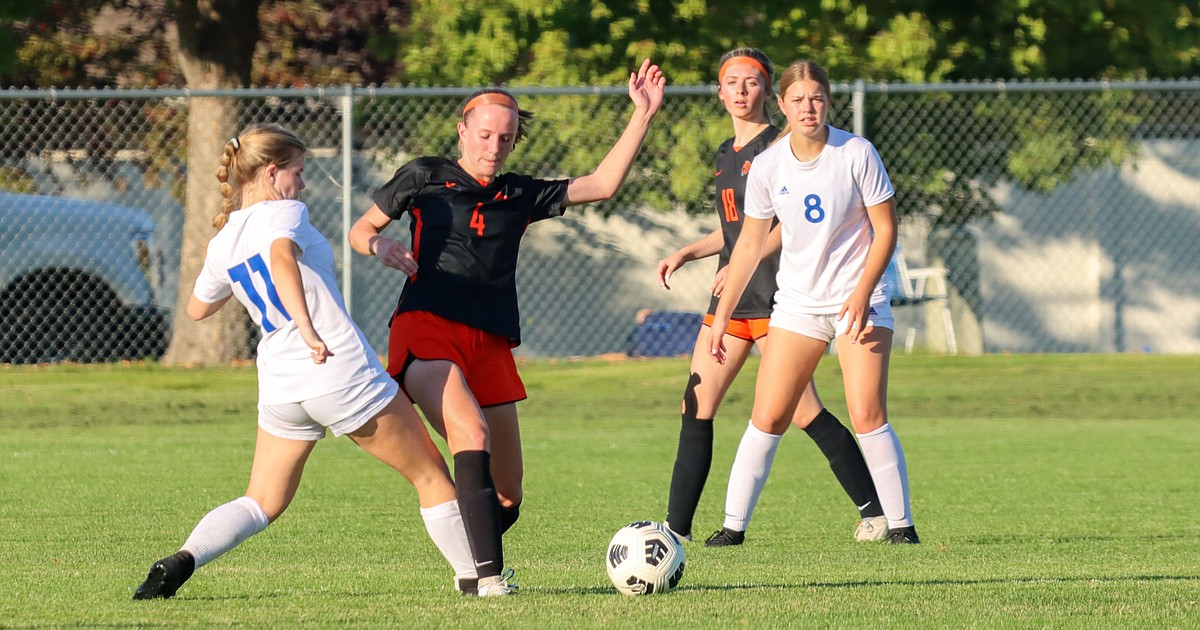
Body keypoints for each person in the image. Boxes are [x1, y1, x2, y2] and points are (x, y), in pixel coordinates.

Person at [349, 60, 667, 594]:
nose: (493, 146)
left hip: (489, 341)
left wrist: (642, 115)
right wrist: (381, 244)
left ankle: (468, 559)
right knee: (469, 435)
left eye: (505, 137)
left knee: (507, 495)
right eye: (485, 134)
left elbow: (603, 184)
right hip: (426, 328)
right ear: (463, 131)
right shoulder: (424, 175)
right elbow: (362, 229)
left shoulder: (517, 193)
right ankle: (488, 581)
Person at [132, 124, 479, 600]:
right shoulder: (286, 211)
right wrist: (309, 327)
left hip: (282, 384)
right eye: (298, 171)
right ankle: (480, 583)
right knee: (430, 475)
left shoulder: (224, 238)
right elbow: (280, 258)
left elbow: (197, 308)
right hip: (335, 367)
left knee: (261, 502)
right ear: (272, 174)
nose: (302, 183)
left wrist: (238, 279)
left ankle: (182, 559)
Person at [657, 48, 887, 547]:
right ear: (718, 92)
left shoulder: (783, 143)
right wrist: (690, 252)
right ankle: (675, 530)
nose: (741, 90)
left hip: (776, 298)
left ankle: (878, 510)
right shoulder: (726, 153)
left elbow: (779, 228)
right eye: (731, 82)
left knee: (803, 413)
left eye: (752, 81)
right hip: (732, 298)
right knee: (696, 402)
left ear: (770, 94)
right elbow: (736, 231)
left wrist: (751, 255)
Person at [706, 59, 921, 545]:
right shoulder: (768, 165)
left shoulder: (856, 152)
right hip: (798, 306)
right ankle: (732, 530)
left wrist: (864, 293)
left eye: (817, 98)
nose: (809, 108)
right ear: (781, 105)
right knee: (769, 415)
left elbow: (885, 230)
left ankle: (902, 527)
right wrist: (720, 319)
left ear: (829, 101)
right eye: (798, 100)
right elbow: (748, 248)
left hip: (857, 299)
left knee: (867, 413)